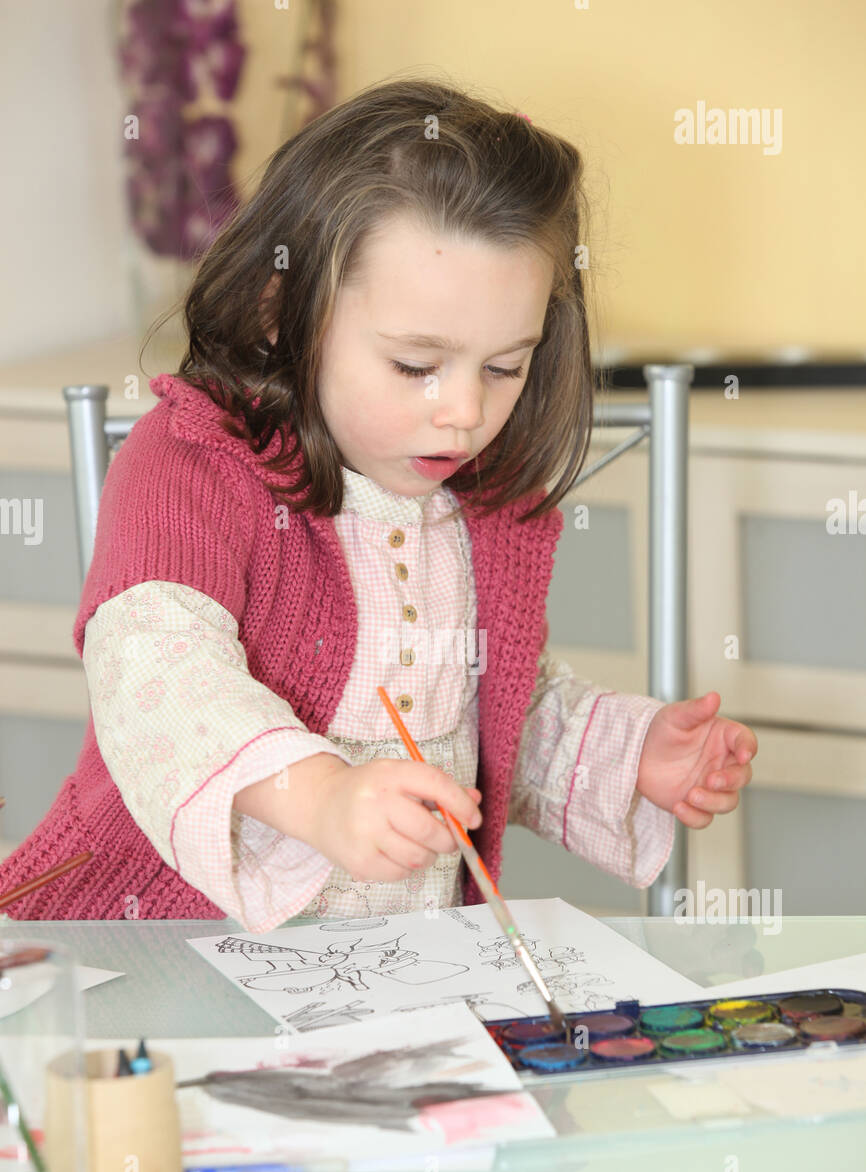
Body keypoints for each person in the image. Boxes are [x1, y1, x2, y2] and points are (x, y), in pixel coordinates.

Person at [0, 78, 756, 928]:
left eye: (505, 366)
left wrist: (630, 754)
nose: (464, 411)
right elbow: (160, 674)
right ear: (284, 312)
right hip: (155, 964)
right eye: (414, 365)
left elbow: (500, 705)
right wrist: (318, 796)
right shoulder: (192, 465)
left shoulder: (478, 505)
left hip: (383, 991)